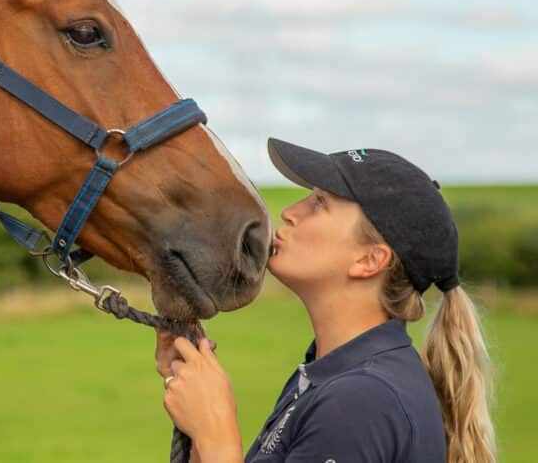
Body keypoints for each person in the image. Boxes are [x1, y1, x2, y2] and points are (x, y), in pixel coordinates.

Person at [156, 138, 496, 463]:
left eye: (320, 203)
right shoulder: (333, 377)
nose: (289, 212)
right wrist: (198, 421)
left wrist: (217, 433)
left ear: (370, 261)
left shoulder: (361, 401)